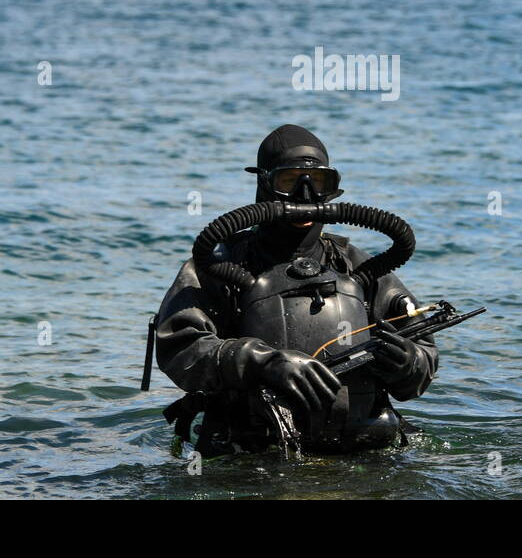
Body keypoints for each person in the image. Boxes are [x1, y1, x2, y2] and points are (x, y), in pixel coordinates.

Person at [153, 124, 437, 456]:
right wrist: (261, 363)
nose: (305, 195)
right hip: (253, 452)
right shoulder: (217, 267)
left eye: (318, 183)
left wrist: (407, 363)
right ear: (264, 185)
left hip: (358, 450)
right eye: (289, 182)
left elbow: (423, 356)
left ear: (333, 191)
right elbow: (180, 349)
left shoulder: (357, 268)